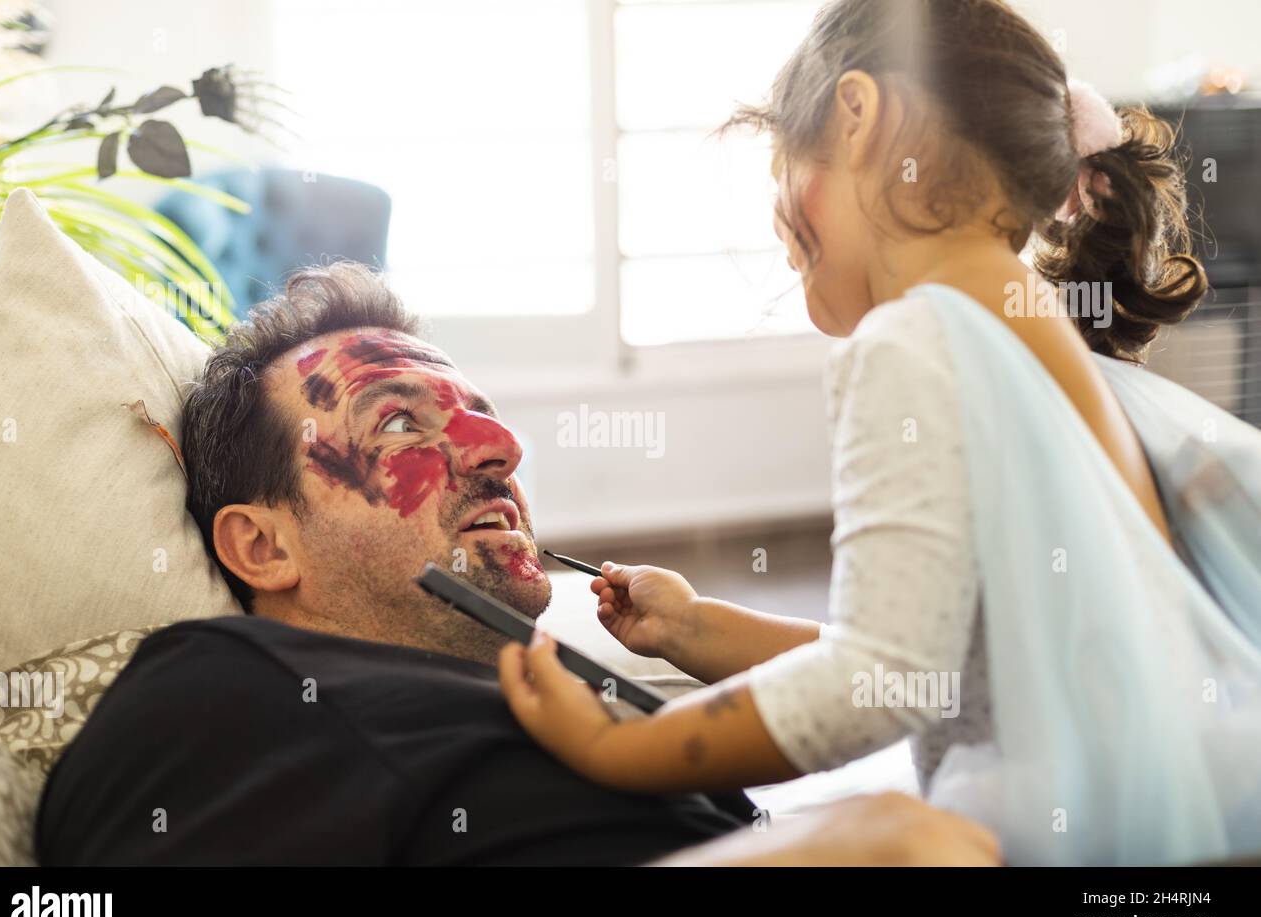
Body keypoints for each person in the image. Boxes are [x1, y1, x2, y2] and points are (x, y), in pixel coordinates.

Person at [497, 0, 1261, 866]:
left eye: (785, 172)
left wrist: (618, 750)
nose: (783, 242)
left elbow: (879, 684)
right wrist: (694, 625)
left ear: (860, 118)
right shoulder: (1039, 337)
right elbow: (937, 661)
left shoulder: (913, 342)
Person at [35, 262, 999, 867]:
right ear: (262, 545)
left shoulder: (577, 692)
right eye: (403, 421)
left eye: (479, 412)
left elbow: (917, 682)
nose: (499, 445)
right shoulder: (211, 691)